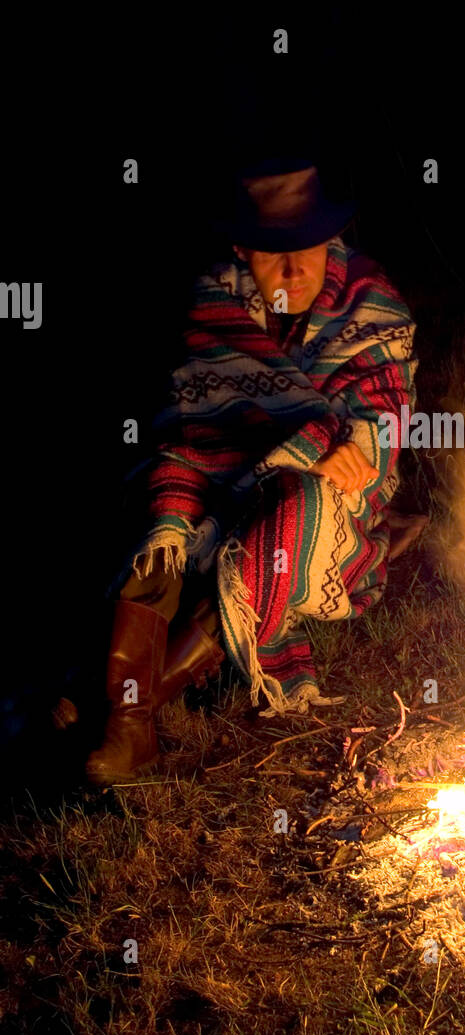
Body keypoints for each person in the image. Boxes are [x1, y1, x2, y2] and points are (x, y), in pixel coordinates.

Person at [85, 158, 419, 786]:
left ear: (330, 241)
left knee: (294, 515)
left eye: (304, 250)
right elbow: (193, 418)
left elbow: (381, 430)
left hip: (326, 497)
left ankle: (125, 712)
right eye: (271, 254)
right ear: (243, 248)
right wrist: (304, 440)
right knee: (166, 502)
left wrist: (326, 447)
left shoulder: (373, 310)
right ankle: (127, 722)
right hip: (221, 471)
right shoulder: (217, 298)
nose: (291, 271)